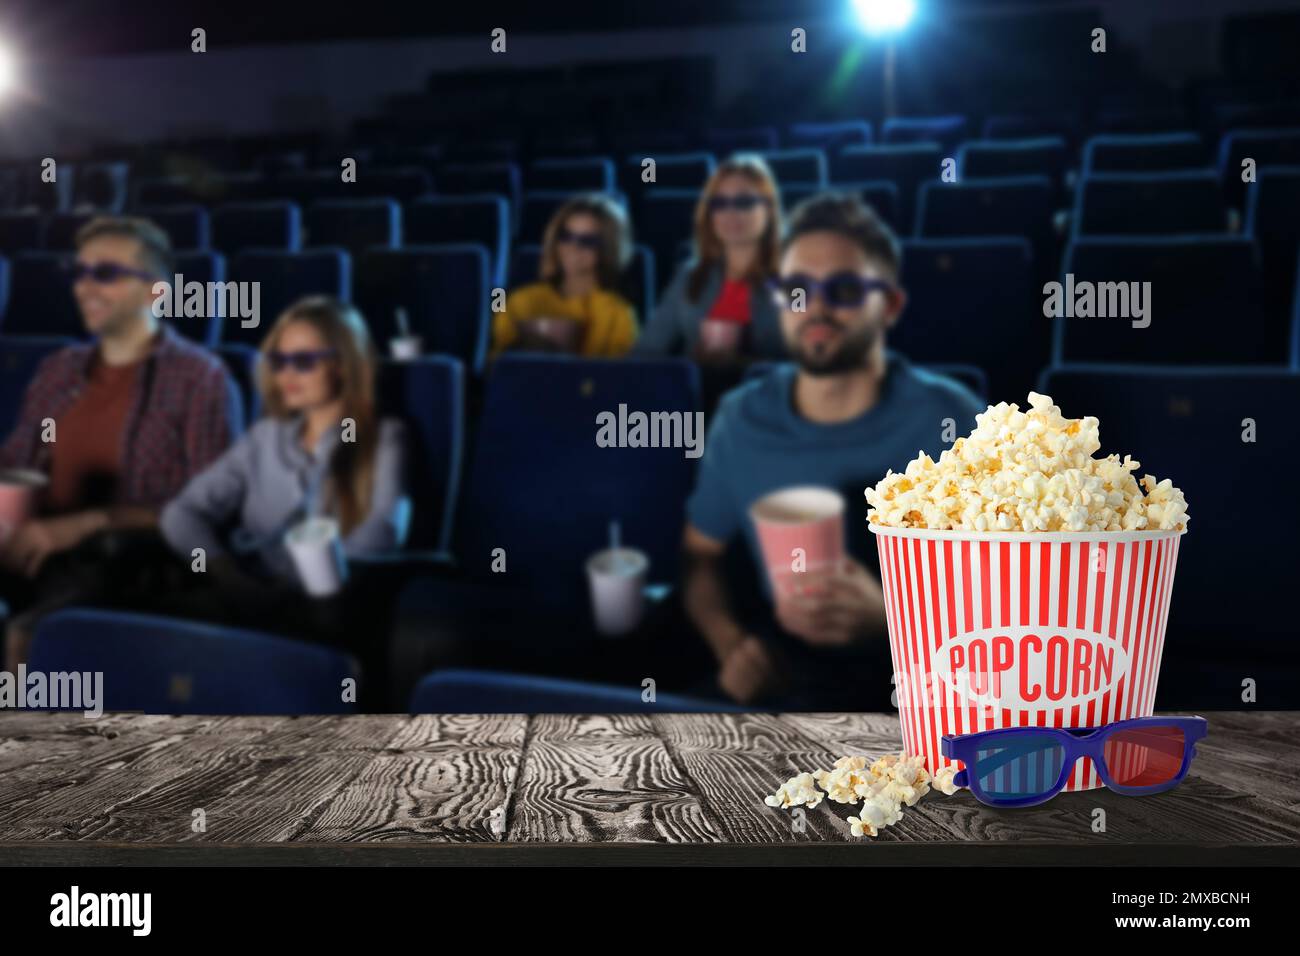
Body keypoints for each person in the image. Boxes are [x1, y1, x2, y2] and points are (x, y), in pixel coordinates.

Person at [680, 193, 985, 710]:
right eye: (796, 290)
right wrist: (731, 645)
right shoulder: (741, 418)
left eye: (842, 289)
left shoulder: (958, 422)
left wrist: (893, 619)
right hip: (779, 688)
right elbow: (698, 558)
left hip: (930, 694)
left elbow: (1019, 595)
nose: (815, 307)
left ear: (887, 306)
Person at [0, 216, 240, 668]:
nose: (84, 287)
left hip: (123, 561)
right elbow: (17, 460)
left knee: (29, 635)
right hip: (31, 545)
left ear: (157, 291)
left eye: (105, 274)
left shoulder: (201, 378)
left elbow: (208, 511)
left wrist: (89, 523)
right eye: (81, 273)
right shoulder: (59, 369)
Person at [156, 296, 410, 627]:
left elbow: (384, 529)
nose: (287, 374)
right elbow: (180, 513)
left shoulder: (385, 436)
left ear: (344, 365)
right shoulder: (265, 436)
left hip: (326, 610)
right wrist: (222, 570)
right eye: (279, 361)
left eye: (304, 361)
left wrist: (314, 588)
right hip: (243, 598)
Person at [634, 155, 783, 361]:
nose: (730, 212)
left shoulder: (794, 281)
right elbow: (646, 351)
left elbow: (807, 359)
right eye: (720, 203)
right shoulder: (690, 275)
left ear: (769, 209)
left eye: (744, 202)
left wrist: (750, 363)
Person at [491, 194, 638, 357]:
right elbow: (495, 364)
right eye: (566, 236)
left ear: (608, 247)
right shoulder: (521, 302)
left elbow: (620, 375)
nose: (572, 247)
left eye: (588, 241)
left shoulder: (617, 313)